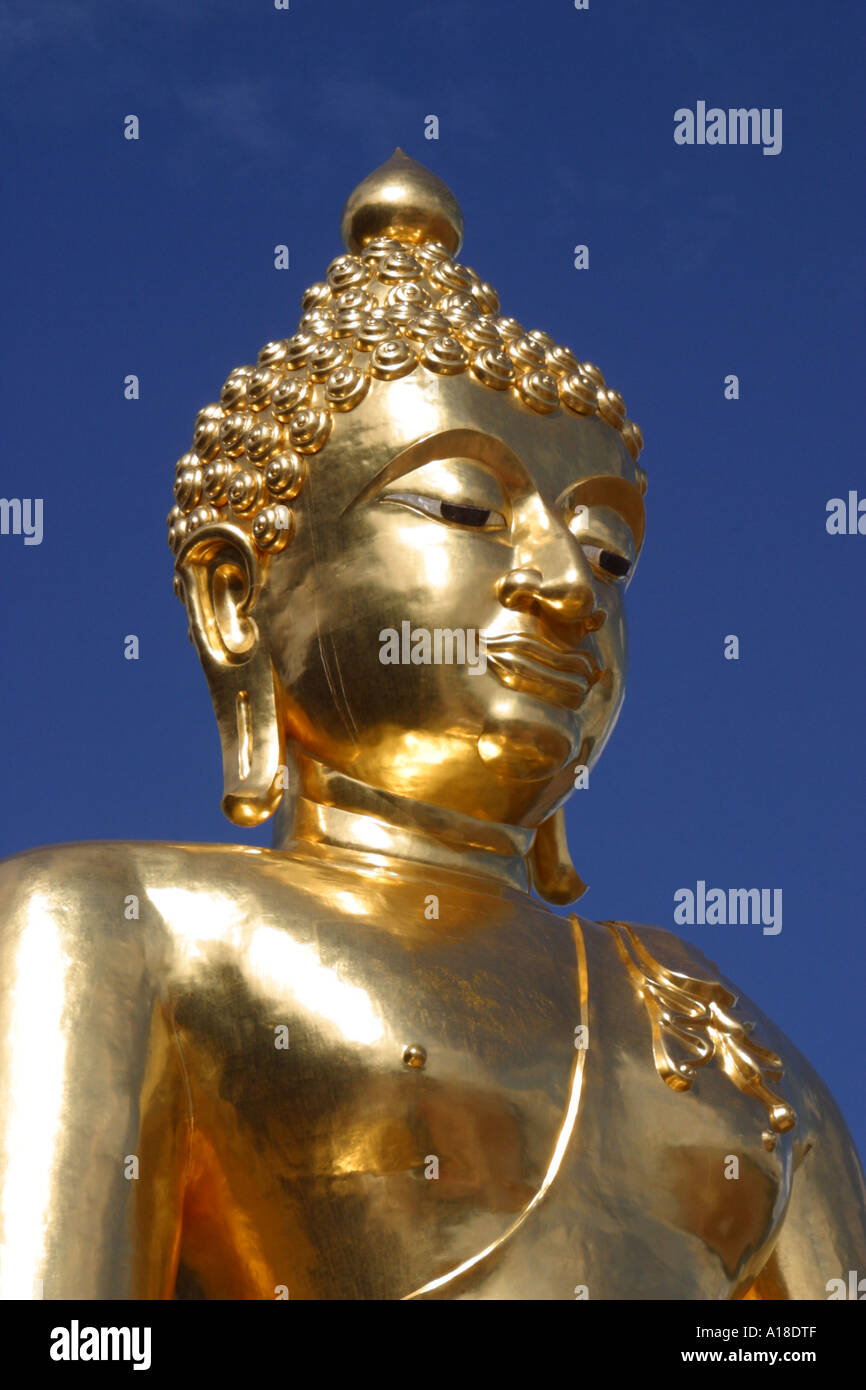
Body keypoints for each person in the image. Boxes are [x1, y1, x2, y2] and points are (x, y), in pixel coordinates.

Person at [0, 151, 862, 1300]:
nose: (569, 584)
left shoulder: (710, 1025)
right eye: (461, 507)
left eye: (609, 550)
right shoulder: (122, 926)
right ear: (232, 595)